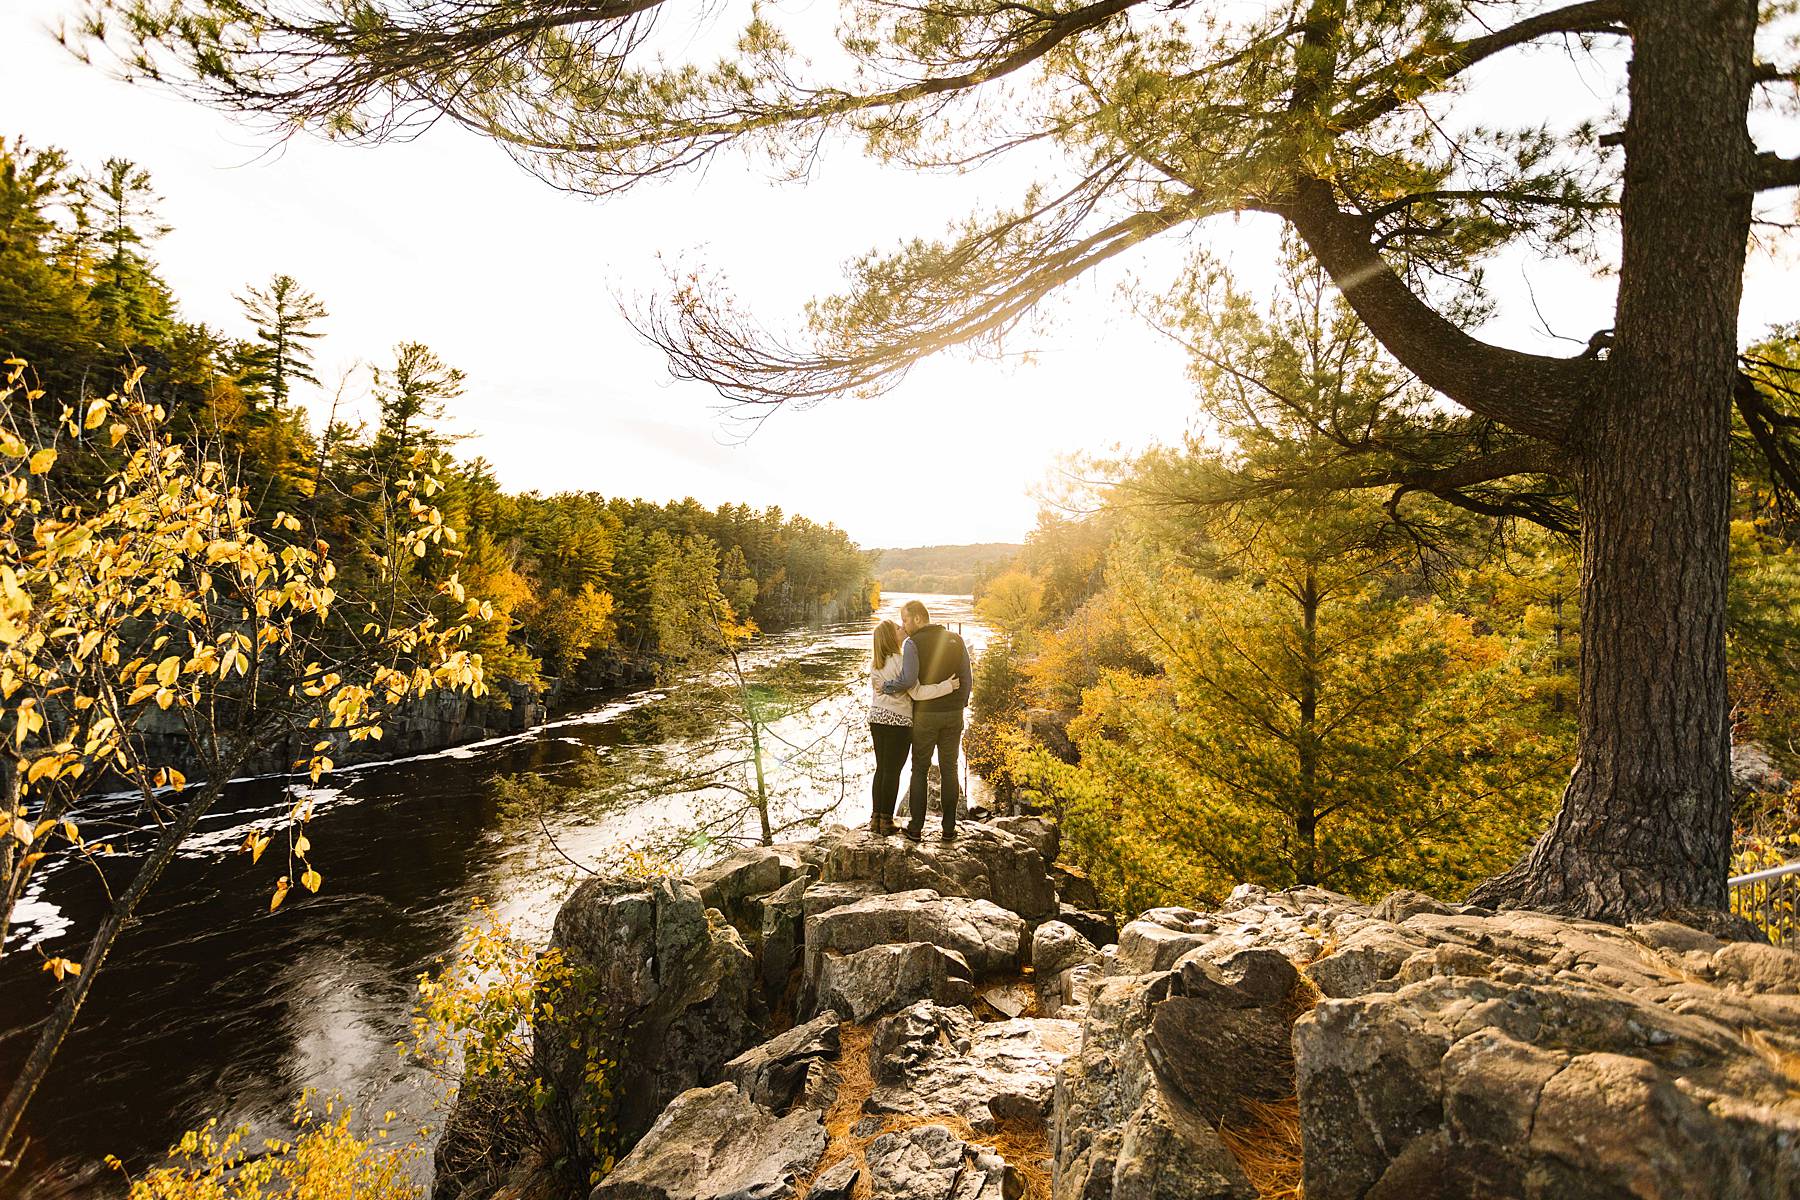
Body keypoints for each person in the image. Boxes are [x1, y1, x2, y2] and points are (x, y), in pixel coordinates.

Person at [881, 599, 974, 840]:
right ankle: (949, 829)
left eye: (905, 620)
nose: (904, 625)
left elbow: (909, 680)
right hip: (953, 715)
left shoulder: (913, 643)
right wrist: (959, 705)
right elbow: (967, 677)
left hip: (925, 715)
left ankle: (916, 828)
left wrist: (888, 687)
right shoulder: (956, 639)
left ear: (918, 618)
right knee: (949, 768)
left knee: (920, 769)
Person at [868, 618, 960, 836]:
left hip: (876, 718)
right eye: (898, 628)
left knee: (881, 769)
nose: (903, 629)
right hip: (898, 722)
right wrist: (947, 686)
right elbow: (917, 692)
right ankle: (887, 821)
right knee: (892, 772)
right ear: (892, 637)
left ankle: (875, 819)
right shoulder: (901, 661)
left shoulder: (875, 663)